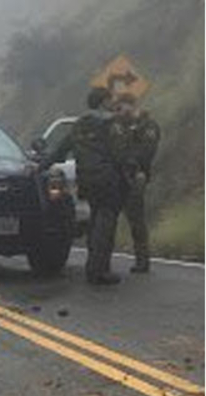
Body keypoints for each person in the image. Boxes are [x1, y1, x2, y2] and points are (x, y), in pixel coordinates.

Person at [71, 86, 123, 285]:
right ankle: (100, 270)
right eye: (110, 100)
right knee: (106, 224)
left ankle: (92, 266)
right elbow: (120, 152)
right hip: (106, 178)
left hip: (85, 178)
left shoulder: (78, 124)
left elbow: (62, 148)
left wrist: (40, 166)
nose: (113, 103)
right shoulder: (110, 123)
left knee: (94, 222)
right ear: (103, 102)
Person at [112, 93, 160, 274]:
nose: (118, 112)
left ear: (131, 106)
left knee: (136, 220)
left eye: (121, 108)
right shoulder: (120, 126)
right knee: (110, 219)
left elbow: (147, 151)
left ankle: (142, 259)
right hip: (118, 177)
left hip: (135, 177)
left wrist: (130, 161)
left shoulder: (148, 126)